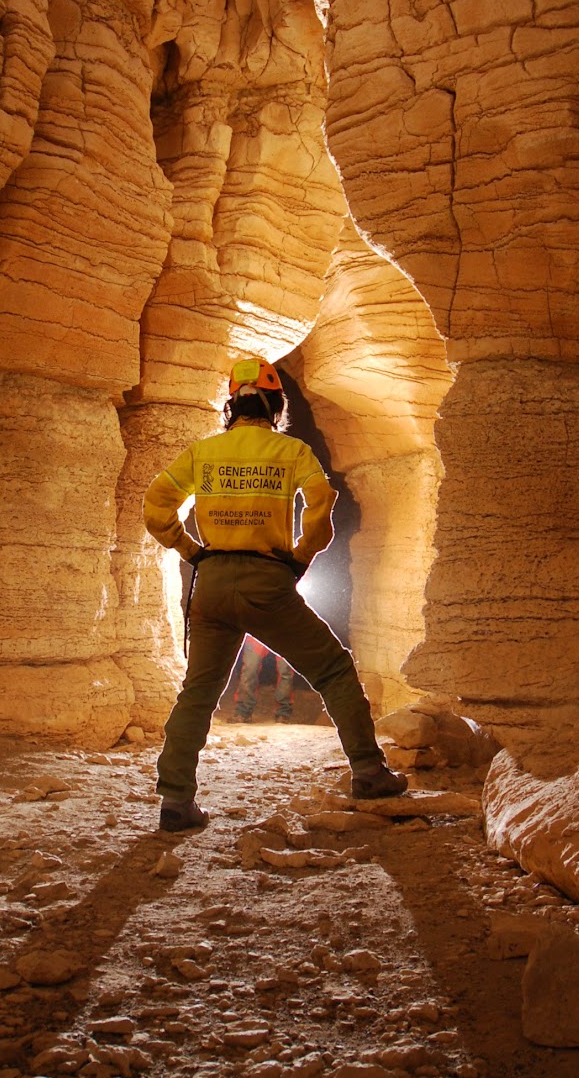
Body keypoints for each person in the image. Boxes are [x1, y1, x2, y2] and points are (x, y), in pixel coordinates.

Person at [143, 355, 407, 831]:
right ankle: (368, 772)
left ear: (232, 406)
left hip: (212, 581)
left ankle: (175, 802)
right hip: (268, 579)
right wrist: (300, 558)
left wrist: (191, 550)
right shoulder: (291, 453)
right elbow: (321, 501)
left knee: (198, 693)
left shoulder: (204, 453)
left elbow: (156, 505)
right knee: (332, 669)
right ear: (274, 404)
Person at [235, 635, 294, 722]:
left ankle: (283, 713)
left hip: (284, 630)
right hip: (257, 629)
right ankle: (243, 712)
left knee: (285, 670)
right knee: (250, 668)